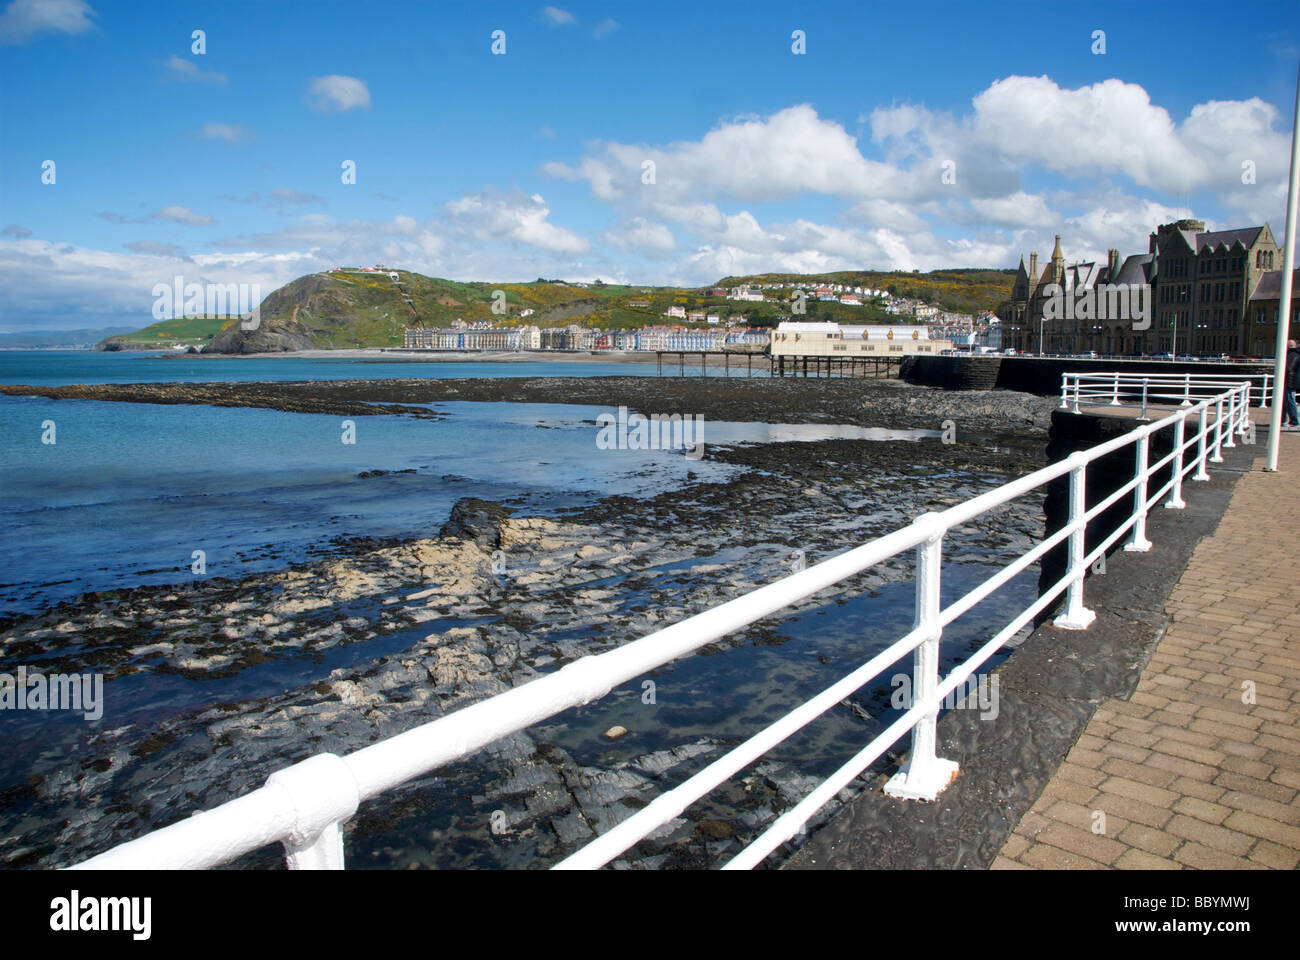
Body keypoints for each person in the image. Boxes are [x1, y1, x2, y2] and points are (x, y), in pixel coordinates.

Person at [1285, 339, 1300, 430]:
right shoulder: (1296, 354)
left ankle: (1294, 421)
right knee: (1287, 400)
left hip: (1290, 381)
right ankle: (1283, 419)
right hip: (1293, 380)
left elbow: (1289, 369)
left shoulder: (1292, 355)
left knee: (1289, 399)